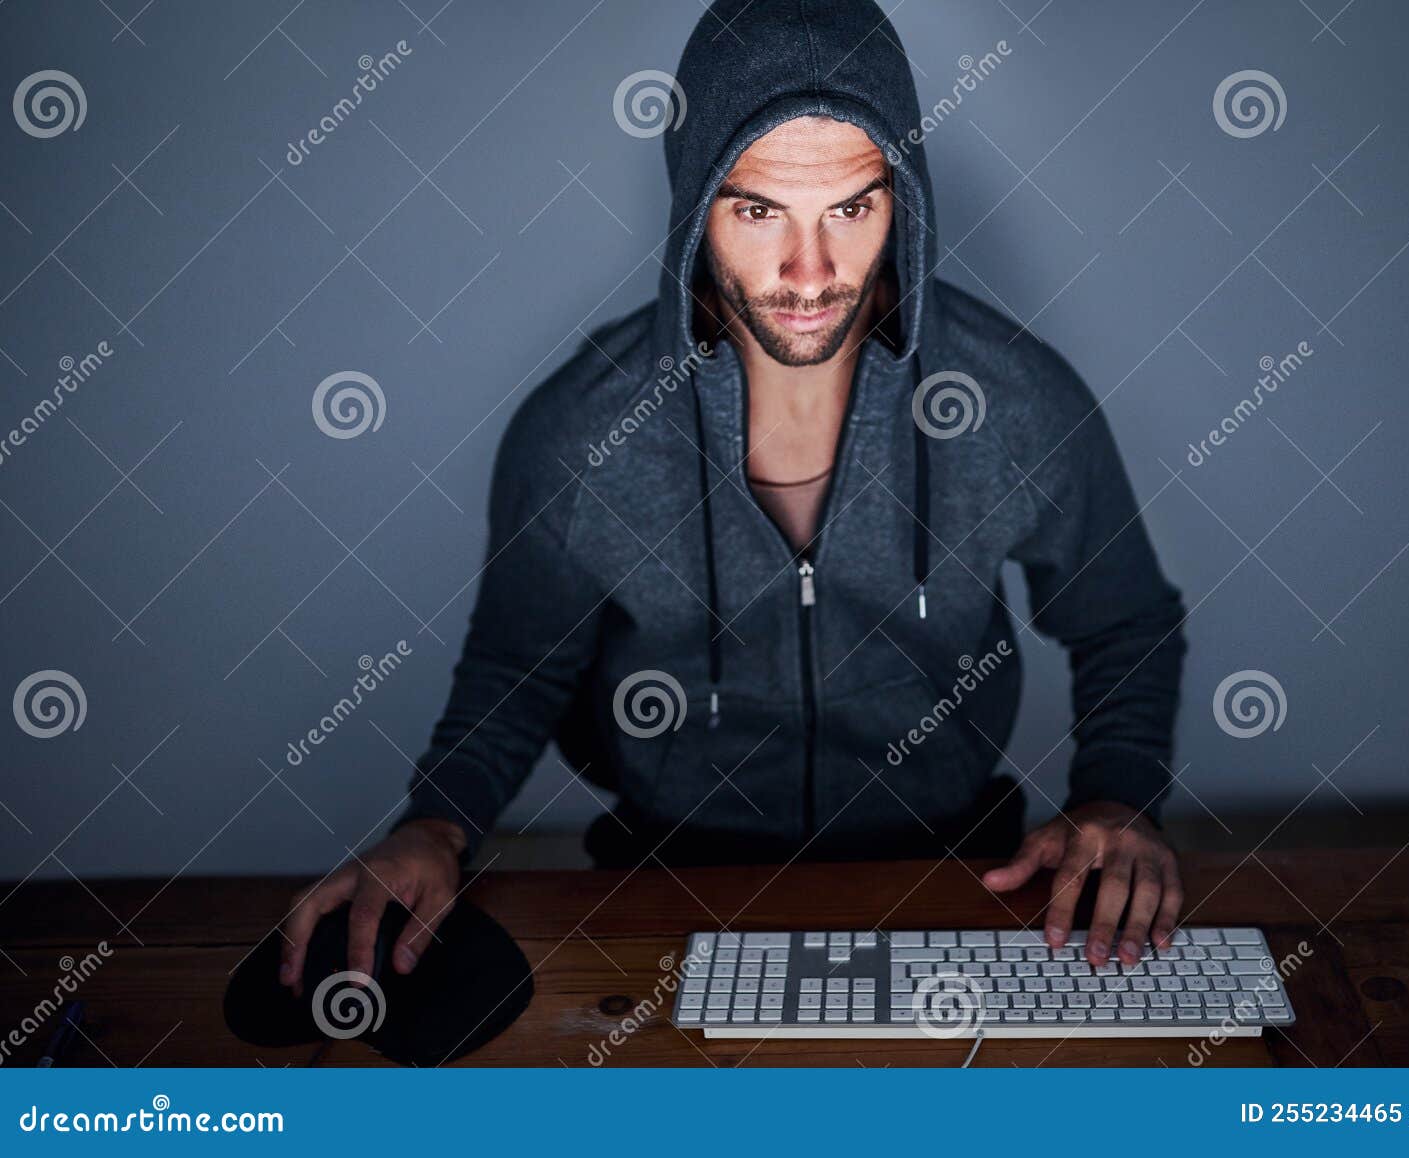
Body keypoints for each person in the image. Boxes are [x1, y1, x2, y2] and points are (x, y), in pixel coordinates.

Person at [280, 0, 1187, 998]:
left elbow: (1126, 622)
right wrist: (434, 825)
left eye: (851, 208)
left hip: (954, 870)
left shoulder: (1012, 400)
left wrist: (1119, 798)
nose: (811, 272)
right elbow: (518, 666)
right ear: (695, 207)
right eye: (759, 211)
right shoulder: (583, 431)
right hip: (665, 880)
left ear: (903, 201)